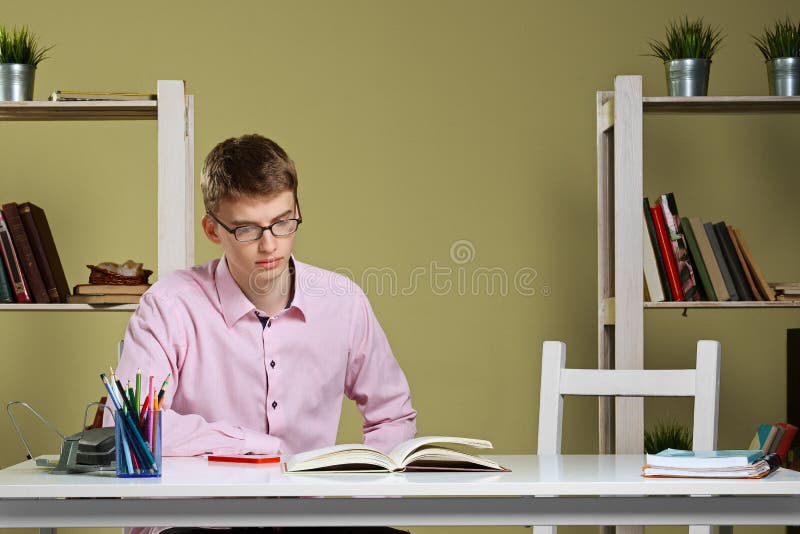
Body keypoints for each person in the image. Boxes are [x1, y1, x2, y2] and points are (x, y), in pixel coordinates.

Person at [112, 134, 417, 534]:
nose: (270, 245)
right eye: (247, 230)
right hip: (197, 522)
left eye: (283, 222)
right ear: (212, 229)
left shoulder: (344, 302)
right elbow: (132, 426)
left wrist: (363, 504)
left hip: (304, 521)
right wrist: (247, 443)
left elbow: (393, 416)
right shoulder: (169, 305)